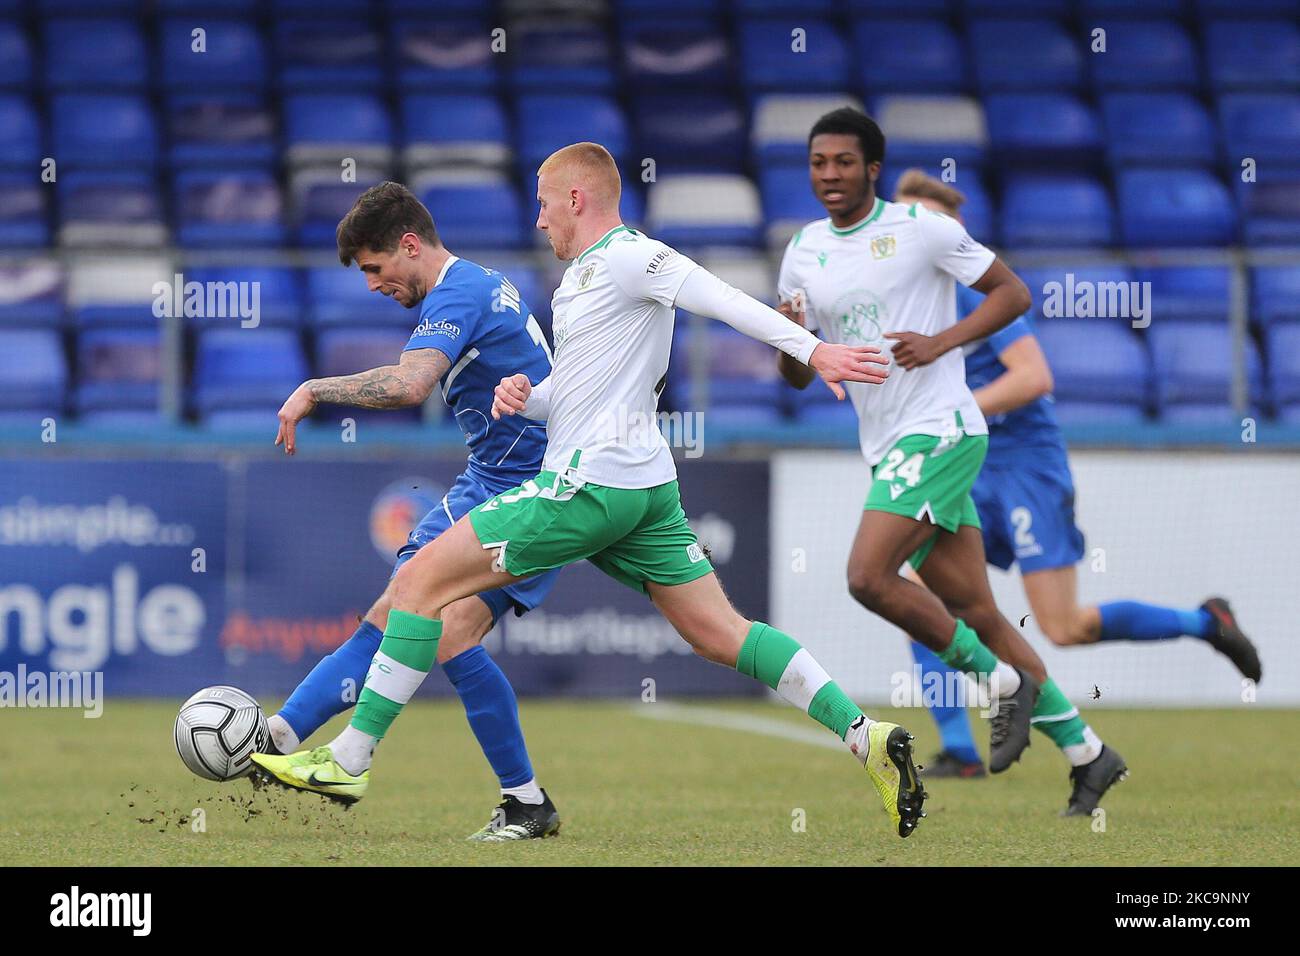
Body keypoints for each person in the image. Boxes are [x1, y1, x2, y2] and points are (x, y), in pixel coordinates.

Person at [254, 142, 930, 839]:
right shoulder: (577, 284)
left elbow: (719, 296)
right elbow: (582, 391)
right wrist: (531, 397)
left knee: (420, 581)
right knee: (721, 633)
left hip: (587, 485)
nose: (540, 220)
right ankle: (864, 733)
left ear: (576, 198)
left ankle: (350, 757)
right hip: (645, 490)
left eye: (545, 204)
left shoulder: (634, 257)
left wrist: (811, 349)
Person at [775, 107, 1125, 816]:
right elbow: (799, 376)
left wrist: (943, 343)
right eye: (818, 162)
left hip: (941, 430)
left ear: (872, 168)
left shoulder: (920, 227)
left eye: (843, 161)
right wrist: (792, 341)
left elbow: (1013, 292)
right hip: (887, 444)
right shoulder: (803, 250)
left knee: (868, 577)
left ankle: (1000, 685)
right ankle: (1090, 754)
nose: (829, 174)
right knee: (976, 610)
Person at [890, 169, 1262, 780]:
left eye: (917, 223)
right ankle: (959, 750)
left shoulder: (976, 293)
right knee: (918, 593)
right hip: (963, 462)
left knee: (1064, 626)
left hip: (1022, 468)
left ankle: (1206, 622)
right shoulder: (908, 296)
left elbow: (1033, 377)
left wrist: (947, 411)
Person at [265, 181, 562, 841]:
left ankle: (520, 800)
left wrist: (315, 387)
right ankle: (281, 736)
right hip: (490, 481)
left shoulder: (458, 291)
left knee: (442, 627)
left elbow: (408, 385)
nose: (372, 284)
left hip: (537, 489)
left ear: (408, 245)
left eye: (375, 268)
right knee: (396, 613)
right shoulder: (477, 284)